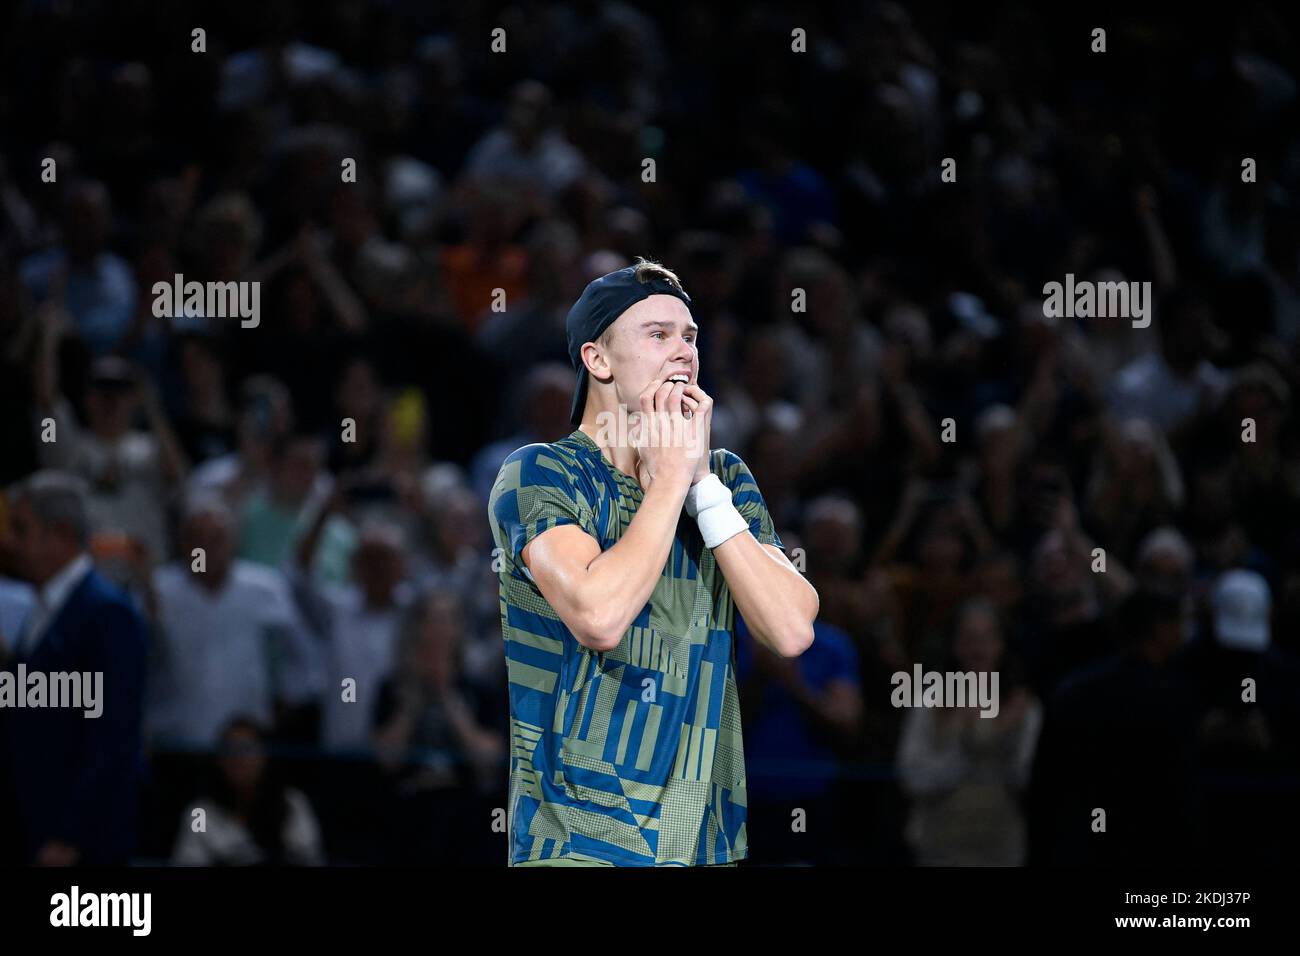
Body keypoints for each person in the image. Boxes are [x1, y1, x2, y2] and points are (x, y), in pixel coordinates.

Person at [487, 258, 819, 866]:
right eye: (658, 335)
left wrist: (703, 488)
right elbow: (599, 616)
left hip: (704, 842)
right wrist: (670, 483)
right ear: (598, 359)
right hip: (576, 842)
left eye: (690, 337)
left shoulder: (723, 481)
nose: (684, 352)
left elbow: (792, 629)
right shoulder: (540, 473)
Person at [3, 470, 148, 864]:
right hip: (32, 831)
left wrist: (70, 836)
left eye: (20, 528)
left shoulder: (107, 614)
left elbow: (112, 739)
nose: (9, 542)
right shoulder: (39, 610)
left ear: (62, 534)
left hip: (80, 849)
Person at [172, 717, 325, 866]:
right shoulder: (200, 812)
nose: (238, 759)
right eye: (230, 750)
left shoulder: (292, 802)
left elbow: (309, 858)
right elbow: (188, 860)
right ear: (218, 760)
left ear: (264, 757)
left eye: (247, 749)